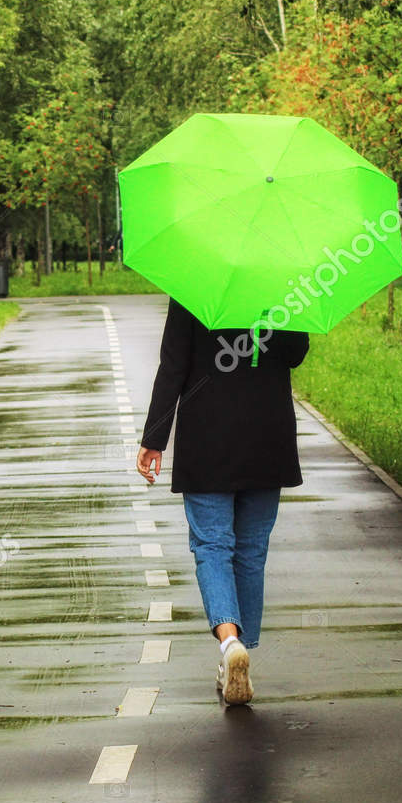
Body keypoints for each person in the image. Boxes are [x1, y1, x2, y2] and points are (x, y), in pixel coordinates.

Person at [136, 298, 309, 706]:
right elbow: (295, 353)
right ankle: (239, 650)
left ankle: (230, 645)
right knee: (250, 551)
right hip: (269, 437)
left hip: (208, 438)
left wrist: (153, 439)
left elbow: (173, 366)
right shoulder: (283, 288)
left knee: (212, 545)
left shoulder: (193, 288)